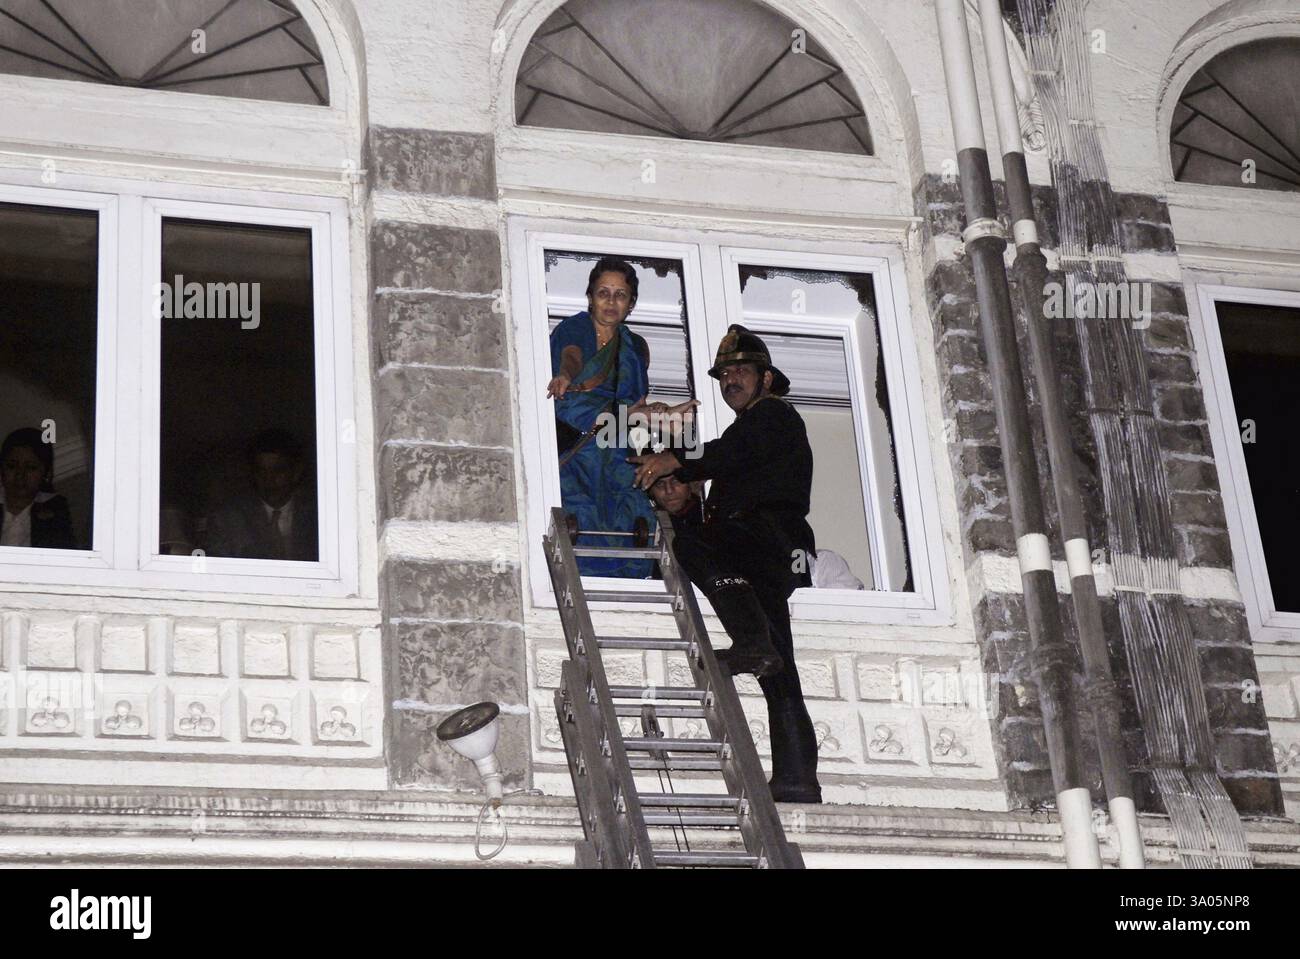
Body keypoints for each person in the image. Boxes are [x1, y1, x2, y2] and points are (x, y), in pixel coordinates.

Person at [630, 324, 821, 803]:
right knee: (781, 673)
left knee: (691, 548)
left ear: (768, 379)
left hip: (769, 540)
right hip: (763, 550)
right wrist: (683, 504)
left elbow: (730, 454)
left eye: (741, 371)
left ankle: (751, 640)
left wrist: (676, 459)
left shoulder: (774, 416)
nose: (731, 379)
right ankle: (797, 780)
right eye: (725, 374)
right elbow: (733, 473)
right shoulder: (751, 430)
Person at [547, 256, 695, 578]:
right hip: (577, 435)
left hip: (615, 443)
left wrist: (662, 415)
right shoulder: (575, 326)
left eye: (620, 295)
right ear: (590, 298)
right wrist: (564, 375)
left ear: (631, 304)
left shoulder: (634, 346)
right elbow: (571, 354)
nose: (611, 302)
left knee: (628, 520)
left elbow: (636, 408)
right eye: (603, 293)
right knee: (579, 516)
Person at [204, 429, 318, 562]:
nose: (269, 480)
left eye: (278, 471)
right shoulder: (227, 518)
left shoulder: (319, 515)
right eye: (262, 472)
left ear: (296, 472)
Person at [0, 427, 74, 549]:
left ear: (47, 473)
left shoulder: (58, 510)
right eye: (12, 466)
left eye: (31, 467)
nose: (20, 475)